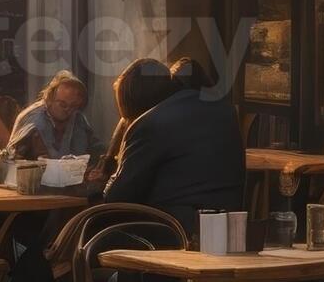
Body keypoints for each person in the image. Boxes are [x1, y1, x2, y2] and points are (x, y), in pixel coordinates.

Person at [101, 56, 245, 235]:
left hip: (173, 232)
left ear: (135, 102)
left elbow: (116, 198)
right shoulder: (224, 110)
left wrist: (106, 177)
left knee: (94, 231)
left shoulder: (150, 124)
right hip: (227, 228)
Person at [10, 71, 98, 160]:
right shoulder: (33, 121)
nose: (68, 110)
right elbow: (14, 158)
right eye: (63, 105)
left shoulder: (78, 118)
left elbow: (94, 147)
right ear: (50, 99)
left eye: (74, 106)